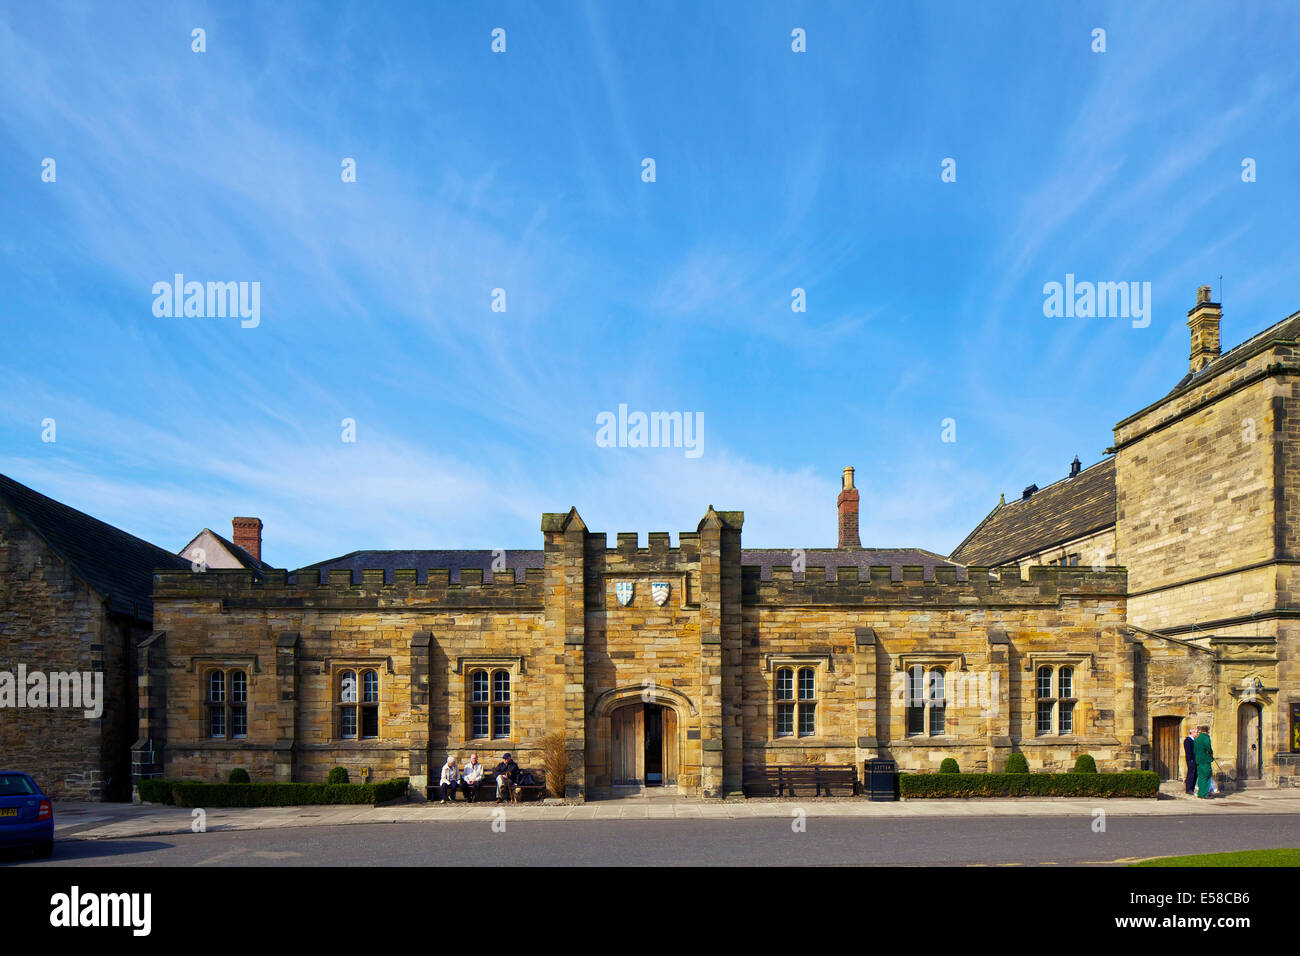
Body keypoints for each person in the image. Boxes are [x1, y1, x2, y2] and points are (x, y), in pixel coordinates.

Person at [1193, 724, 1215, 798]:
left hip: (1198, 760)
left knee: (1201, 776)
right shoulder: (1206, 737)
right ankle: (1204, 794)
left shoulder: (1196, 739)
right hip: (1205, 760)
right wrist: (1211, 754)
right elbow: (1208, 747)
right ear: (1207, 731)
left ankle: (1200, 793)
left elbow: (1195, 750)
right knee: (1207, 776)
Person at [1183, 726, 1198, 795]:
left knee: (1195, 774)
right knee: (1191, 774)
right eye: (1196, 732)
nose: (1197, 734)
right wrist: (1191, 759)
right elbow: (1188, 751)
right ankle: (1188, 789)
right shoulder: (1188, 740)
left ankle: (1192, 788)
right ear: (1192, 732)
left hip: (1195, 759)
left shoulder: (1194, 740)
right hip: (1191, 760)